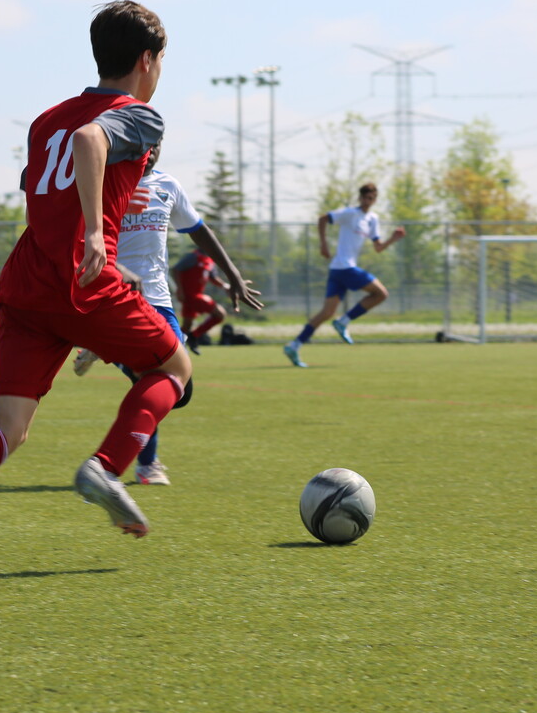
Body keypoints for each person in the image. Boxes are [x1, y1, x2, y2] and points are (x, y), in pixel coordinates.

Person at [0, 0, 186, 581]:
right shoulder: (141, 117)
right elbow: (89, 142)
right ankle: (107, 468)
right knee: (173, 370)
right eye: (161, 62)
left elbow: (37, 185)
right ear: (148, 60)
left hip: (29, 280)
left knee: (7, 426)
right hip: (81, 280)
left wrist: (82, 238)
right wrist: (100, 241)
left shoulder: (45, 117)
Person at [73, 143, 262, 485]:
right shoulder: (103, 184)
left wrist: (232, 274)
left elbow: (199, 230)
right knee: (150, 379)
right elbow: (74, 229)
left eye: (156, 145)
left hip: (159, 299)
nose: (151, 151)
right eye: (144, 145)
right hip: (116, 297)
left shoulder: (168, 186)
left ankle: (103, 350)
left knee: (178, 388)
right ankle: (146, 466)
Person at [283, 182, 405, 368]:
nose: (367, 201)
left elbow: (378, 247)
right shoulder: (350, 213)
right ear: (360, 198)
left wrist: (393, 239)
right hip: (344, 267)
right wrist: (323, 244)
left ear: (375, 199)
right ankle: (344, 322)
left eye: (371, 198)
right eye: (365, 198)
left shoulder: (372, 219)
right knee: (381, 294)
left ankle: (294, 345)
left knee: (326, 312)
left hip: (340, 269)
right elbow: (323, 219)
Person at [172, 248, 230, 353]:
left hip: (194, 296)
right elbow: (176, 269)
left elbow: (213, 277)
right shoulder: (193, 257)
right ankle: (193, 336)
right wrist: (179, 289)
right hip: (190, 296)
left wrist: (225, 286)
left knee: (186, 326)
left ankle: (174, 348)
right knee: (220, 314)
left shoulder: (210, 259)